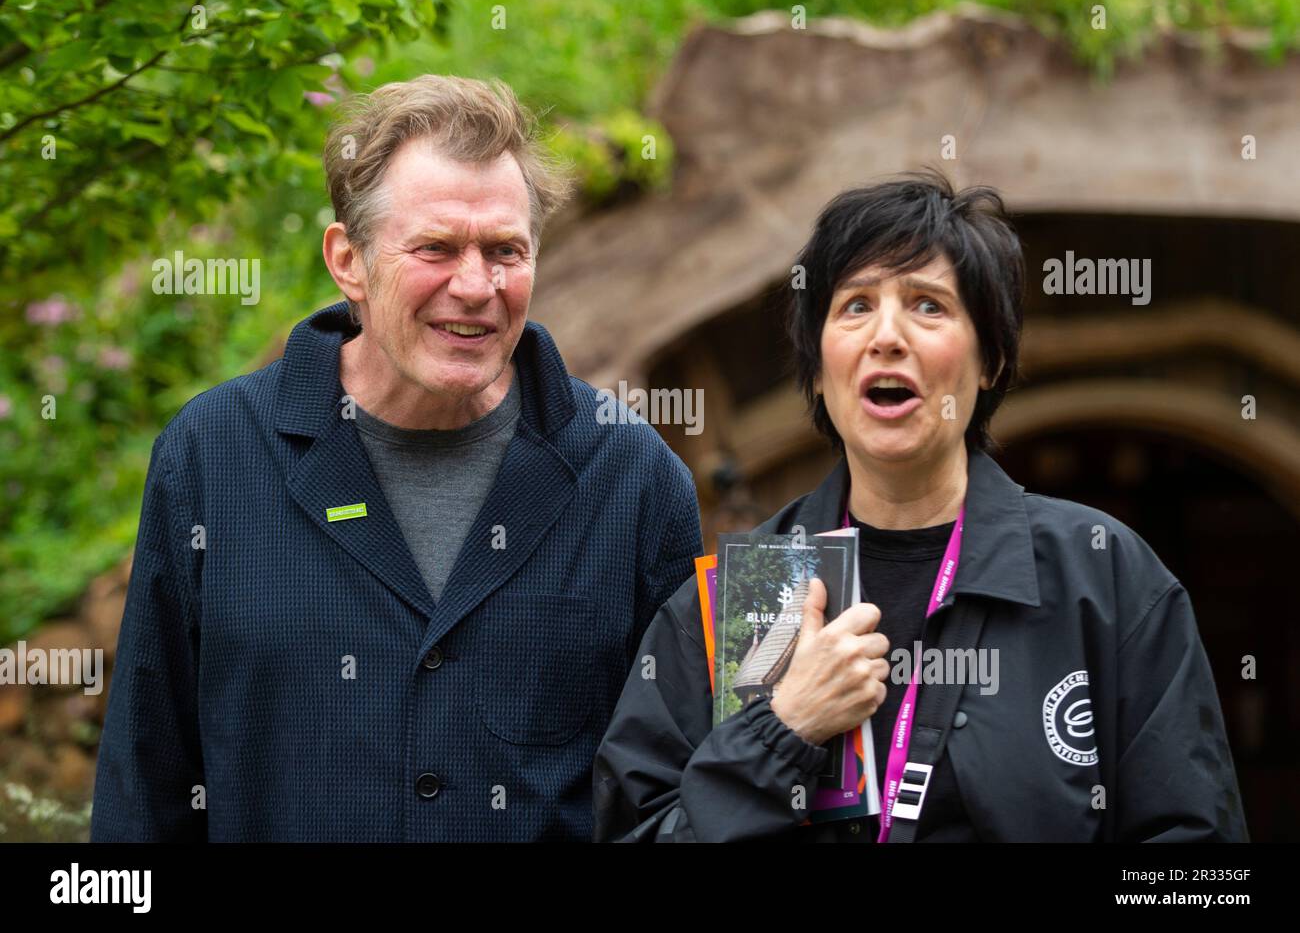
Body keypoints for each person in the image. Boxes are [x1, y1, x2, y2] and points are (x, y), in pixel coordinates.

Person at [92, 75, 702, 841]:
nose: (477, 286)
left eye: (505, 250)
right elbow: (142, 794)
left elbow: (679, 798)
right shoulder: (210, 458)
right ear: (348, 260)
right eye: (437, 248)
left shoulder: (633, 478)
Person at [593, 172, 1248, 842]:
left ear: (991, 358)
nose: (887, 335)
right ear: (818, 368)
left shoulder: (1105, 578)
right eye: (855, 306)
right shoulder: (745, 592)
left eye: (928, 305)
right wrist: (779, 732)